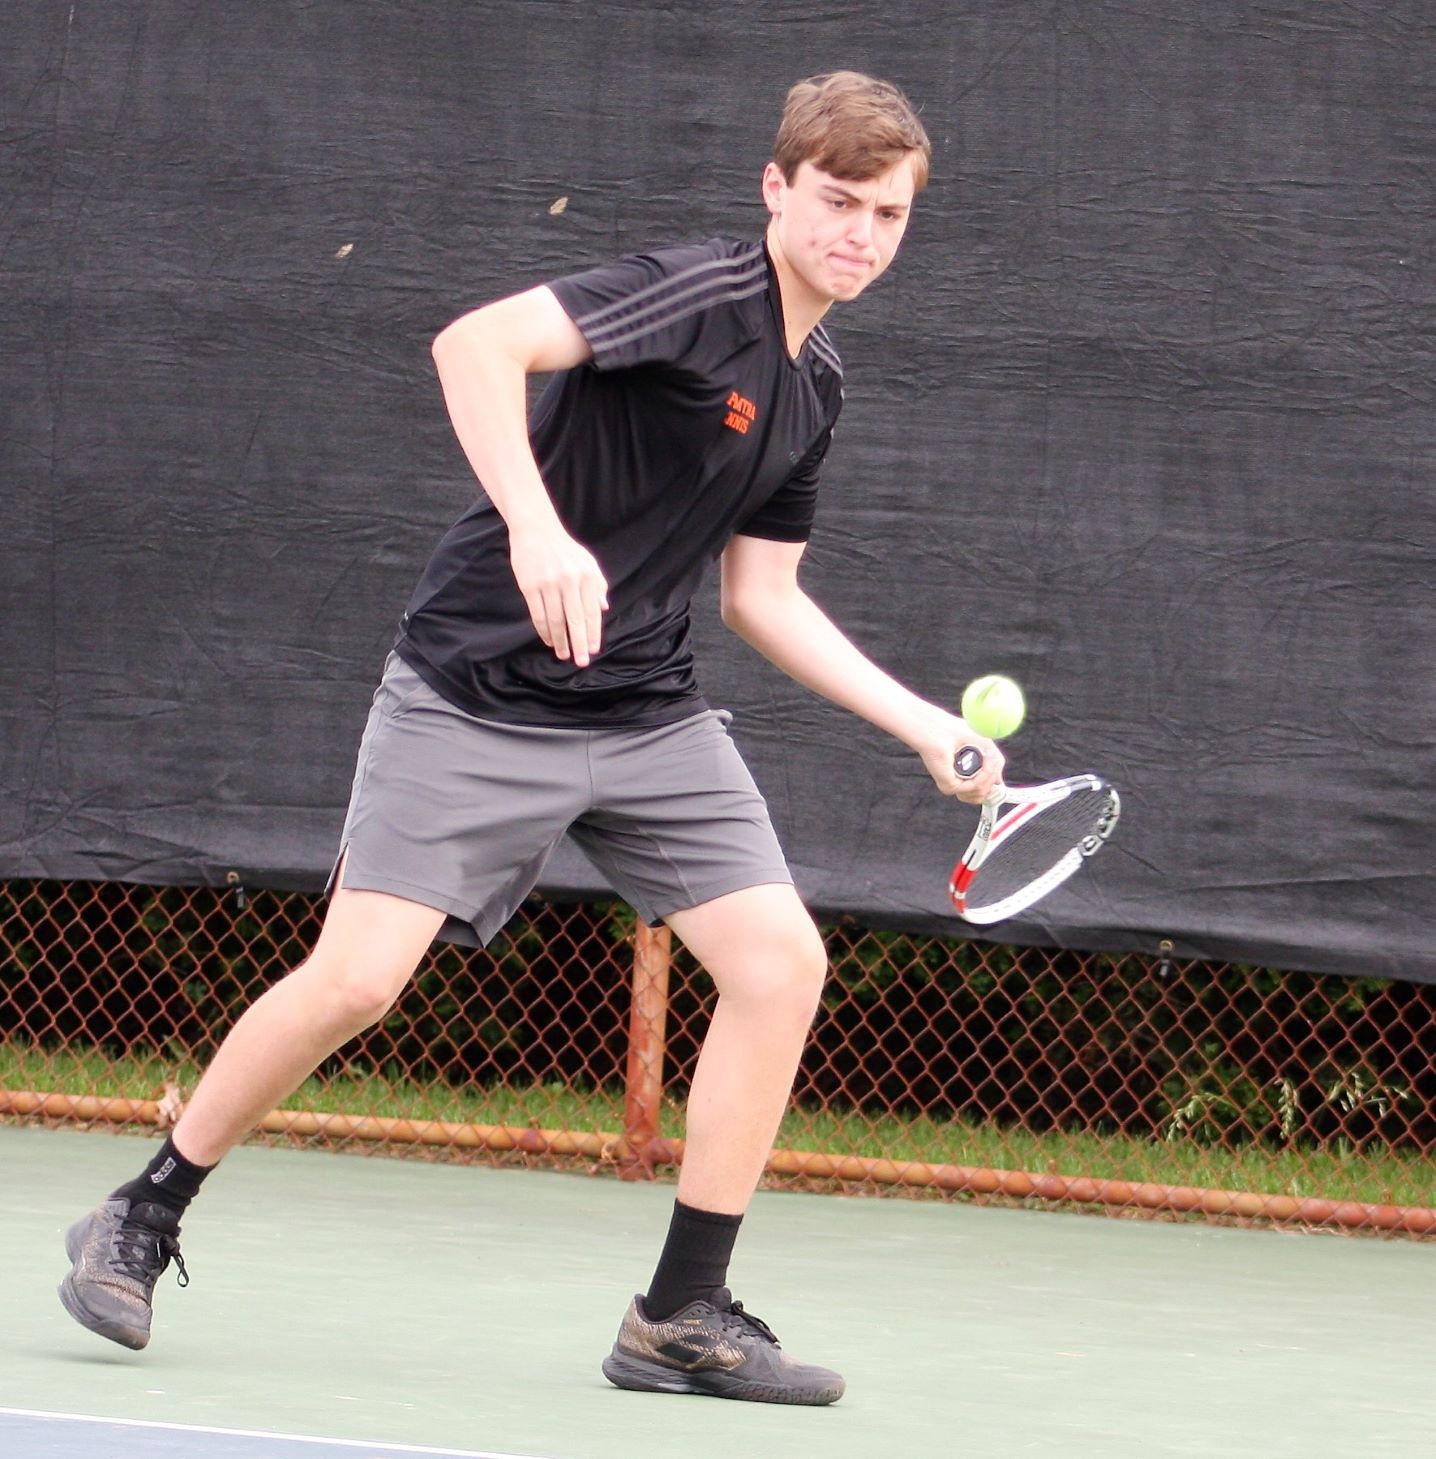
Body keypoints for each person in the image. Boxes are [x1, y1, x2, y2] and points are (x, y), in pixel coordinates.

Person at [57, 70, 1003, 1406]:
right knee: (357, 984)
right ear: (778, 189)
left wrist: (921, 725)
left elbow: (761, 594)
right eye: (838, 201)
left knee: (782, 963)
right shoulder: (695, 295)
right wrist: (537, 526)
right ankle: (141, 1216)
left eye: (890, 216)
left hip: (649, 713)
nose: (860, 233)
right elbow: (474, 345)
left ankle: (679, 1316)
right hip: (477, 691)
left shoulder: (814, 386)